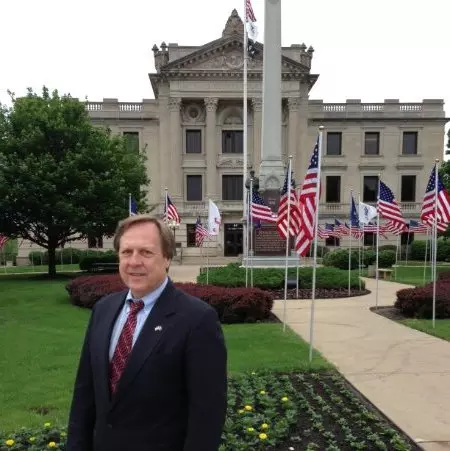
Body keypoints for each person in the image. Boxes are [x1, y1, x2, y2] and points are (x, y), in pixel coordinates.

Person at [67, 215, 228, 451]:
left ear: (167, 258)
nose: (134, 261)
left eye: (146, 252)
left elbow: (207, 416)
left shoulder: (198, 319)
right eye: (127, 252)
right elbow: (84, 395)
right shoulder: (104, 309)